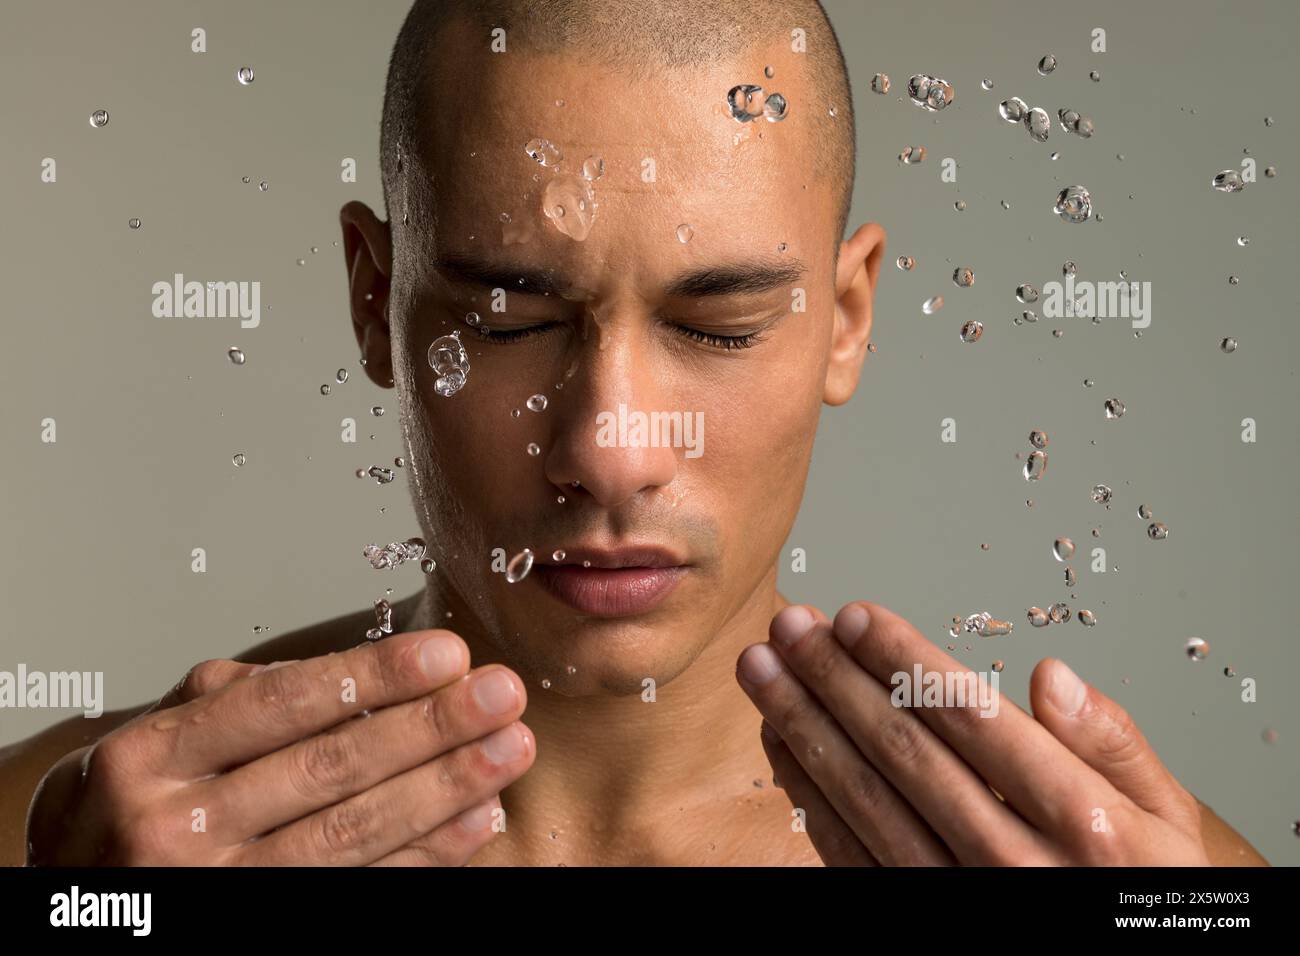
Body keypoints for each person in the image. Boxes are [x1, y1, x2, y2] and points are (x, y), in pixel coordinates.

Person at [0, 0, 1267, 866]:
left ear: (844, 317)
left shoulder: (1119, 864)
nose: (611, 444)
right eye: (507, 320)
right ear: (374, 299)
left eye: (717, 326)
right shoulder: (87, 839)